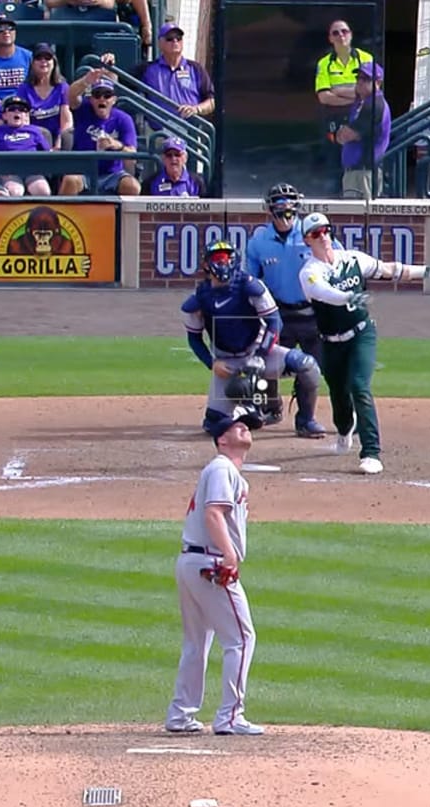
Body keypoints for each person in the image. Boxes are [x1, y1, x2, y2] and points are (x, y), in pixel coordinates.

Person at [298, 212, 429, 476]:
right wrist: (350, 296)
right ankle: (345, 429)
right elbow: (325, 293)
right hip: (331, 342)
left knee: (359, 386)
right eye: (315, 234)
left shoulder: (353, 259)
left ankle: (371, 452)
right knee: (338, 394)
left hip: (361, 333)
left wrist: (426, 271)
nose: (322, 237)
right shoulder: (310, 272)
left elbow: (388, 269)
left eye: (325, 230)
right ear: (307, 241)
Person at [164, 404, 266, 738]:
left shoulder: (220, 470)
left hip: (191, 562)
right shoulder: (222, 469)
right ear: (221, 439)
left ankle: (181, 714)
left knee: (197, 642)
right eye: (236, 427)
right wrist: (229, 555)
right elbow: (214, 514)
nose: (243, 429)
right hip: (210, 562)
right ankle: (230, 717)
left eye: (245, 426)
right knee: (241, 638)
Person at [183, 240, 325, 439]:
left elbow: (275, 322)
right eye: (218, 258)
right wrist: (212, 363)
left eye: (228, 258)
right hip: (227, 362)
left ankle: (305, 421)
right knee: (215, 424)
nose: (224, 263)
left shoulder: (250, 286)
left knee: (307, 366)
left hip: (257, 352)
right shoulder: (199, 298)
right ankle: (250, 408)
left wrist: (259, 355)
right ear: (206, 264)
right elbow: (194, 338)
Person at [245, 182, 329, 427]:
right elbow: (252, 279)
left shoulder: (311, 232)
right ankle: (271, 407)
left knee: (311, 368)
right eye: (279, 208)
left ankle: (306, 418)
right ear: (270, 210)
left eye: (290, 208)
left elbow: (336, 261)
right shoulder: (258, 241)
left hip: (313, 312)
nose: (285, 214)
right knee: (266, 363)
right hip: (277, 313)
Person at [60, 76, 141, 195]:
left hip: (112, 174)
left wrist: (117, 145)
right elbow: (70, 96)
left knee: (132, 186)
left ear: (114, 99)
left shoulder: (123, 119)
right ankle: (61, 213)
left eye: (107, 95)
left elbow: (132, 154)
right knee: (70, 180)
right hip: (83, 172)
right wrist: (87, 80)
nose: (102, 99)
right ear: (92, 99)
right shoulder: (84, 110)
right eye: (97, 95)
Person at [314, 20, 375, 161]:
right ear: (330, 38)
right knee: (334, 165)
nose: (341, 35)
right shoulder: (324, 63)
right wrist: (357, 96)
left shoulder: (366, 59)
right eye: (335, 33)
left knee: (360, 162)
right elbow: (324, 97)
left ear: (351, 35)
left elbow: (372, 91)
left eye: (344, 31)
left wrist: (336, 90)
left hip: (360, 118)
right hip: (334, 120)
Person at [136, 23, 216, 122]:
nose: (175, 41)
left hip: (190, 132)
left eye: (178, 38)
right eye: (169, 38)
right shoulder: (147, 69)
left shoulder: (195, 68)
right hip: (159, 133)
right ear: (160, 43)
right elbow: (119, 81)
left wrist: (196, 109)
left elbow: (211, 101)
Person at [336, 62, 391, 199]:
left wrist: (345, 133)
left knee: (362, 217)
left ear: (378, 82)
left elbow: (347, 135)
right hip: (355, 171)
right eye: (358, 78)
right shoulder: (361, 102)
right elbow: (342, 136)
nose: (360, 82)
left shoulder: (375, 104)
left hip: (364, 172)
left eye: (366, 79)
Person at [0, 95, 54, 196]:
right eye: (12, 109)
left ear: (26, 115)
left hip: (32, 171)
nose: (17, 112)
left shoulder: (35, 131)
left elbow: (49, 154)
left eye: (22, 110)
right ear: (4, 115)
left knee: (42, 190)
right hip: (7, 171)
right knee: (15, 191)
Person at [16, 43, 71, 143]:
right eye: (38, 58)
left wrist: (59, 143)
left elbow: (66, 120)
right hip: (33, 138)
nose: (43, 61)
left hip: (57, 139)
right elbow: (24, 121)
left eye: (48, 58)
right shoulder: (24, 89)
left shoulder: (63, 87)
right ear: (32, 63)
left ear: (54, 62)